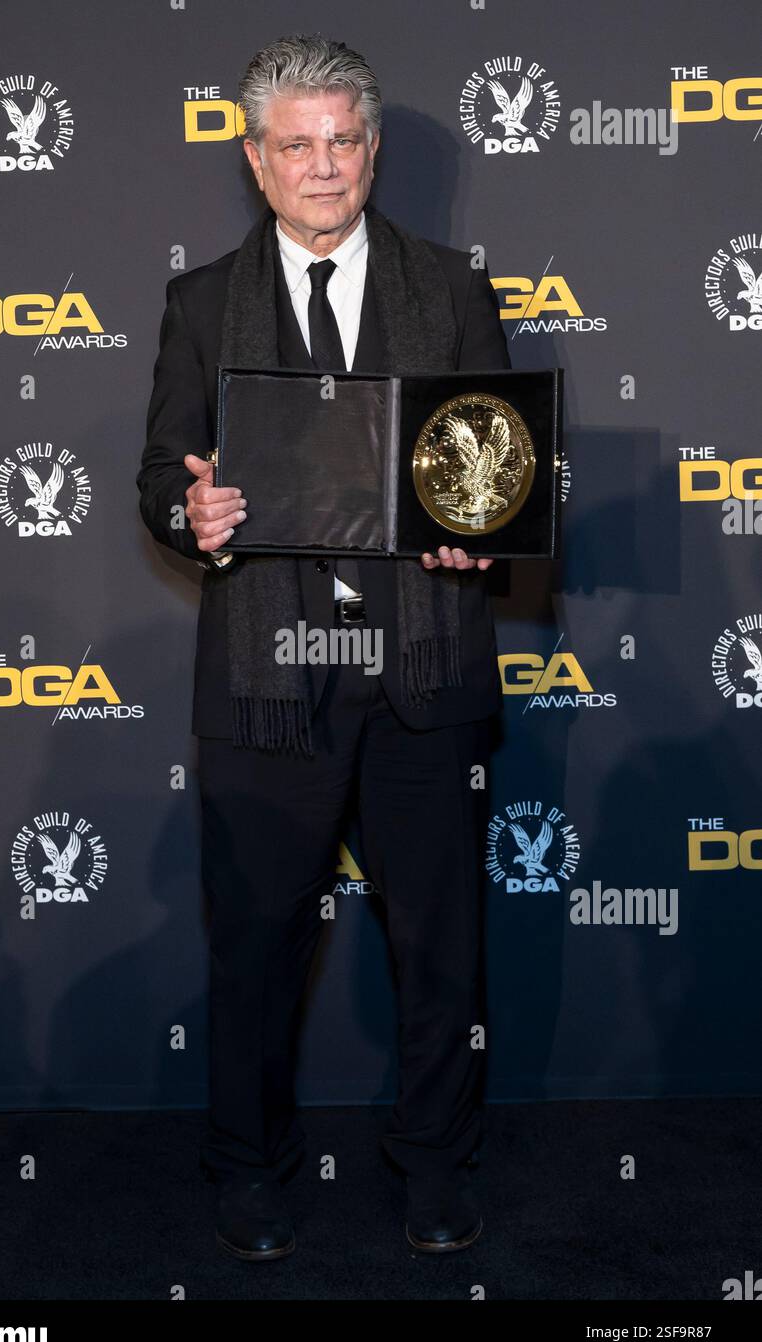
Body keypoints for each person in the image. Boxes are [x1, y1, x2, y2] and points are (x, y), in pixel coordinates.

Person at [137, 33, 511, 1260]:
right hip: (263, 673)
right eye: (294, 145)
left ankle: (436, 1166)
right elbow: (158, 472)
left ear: (373, 150)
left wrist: (476, 535)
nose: (321, 165)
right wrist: (184, 515)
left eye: (342, 140)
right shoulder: (201, 302)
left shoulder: (451, 285)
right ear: (253, 160)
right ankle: (247, 1170)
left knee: (439, 948)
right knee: (252, 949)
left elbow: (492, 466)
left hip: (424, 664)